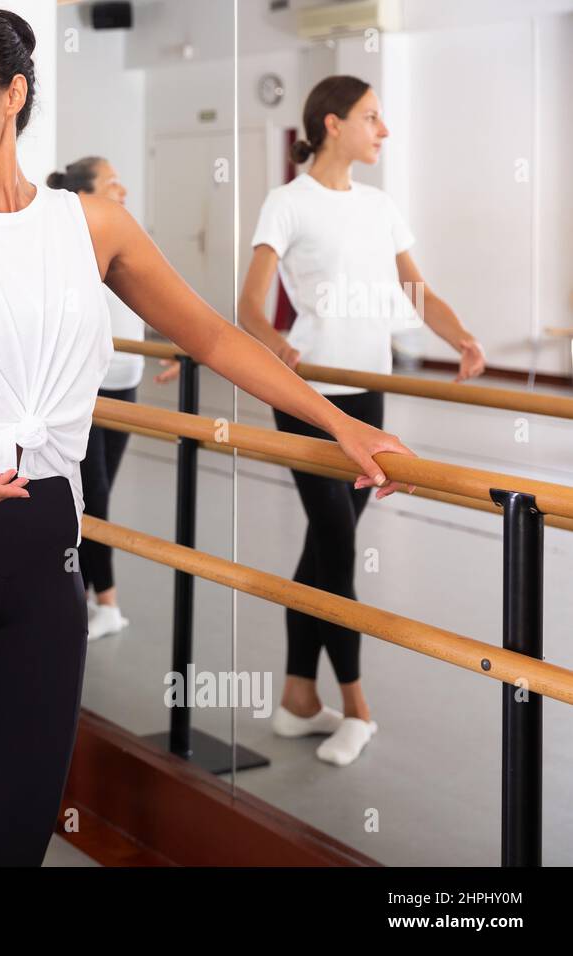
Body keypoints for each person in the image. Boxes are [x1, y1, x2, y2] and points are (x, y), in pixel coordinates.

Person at [0, 7, 417, 866]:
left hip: (44, 566)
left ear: (13, 93)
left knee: (17, 836)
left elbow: (213, 336)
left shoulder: (91, 224)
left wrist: (341, 427)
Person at [240, 75, 484, 767]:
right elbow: (249, 306)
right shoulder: (287, 204)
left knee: (322, 551)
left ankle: (295, 698)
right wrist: (274, 343)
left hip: (366, 402)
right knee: (338, 546)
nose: (384, 130)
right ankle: (357, 707)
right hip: (308, 400)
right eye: (372, 118)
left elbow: (418, 288)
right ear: (332, 122)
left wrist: (460, 337)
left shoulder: (379, 206)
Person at [47, 156, 144, 640]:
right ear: (86, 194)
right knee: (95, 494)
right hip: (93, 390)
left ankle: (82, 588)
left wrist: (172, 350)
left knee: (97, 491)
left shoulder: (121, 235)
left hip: (127, 381)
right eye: (112, 183)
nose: (122, 189)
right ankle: (104, 598)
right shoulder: (75, 241)